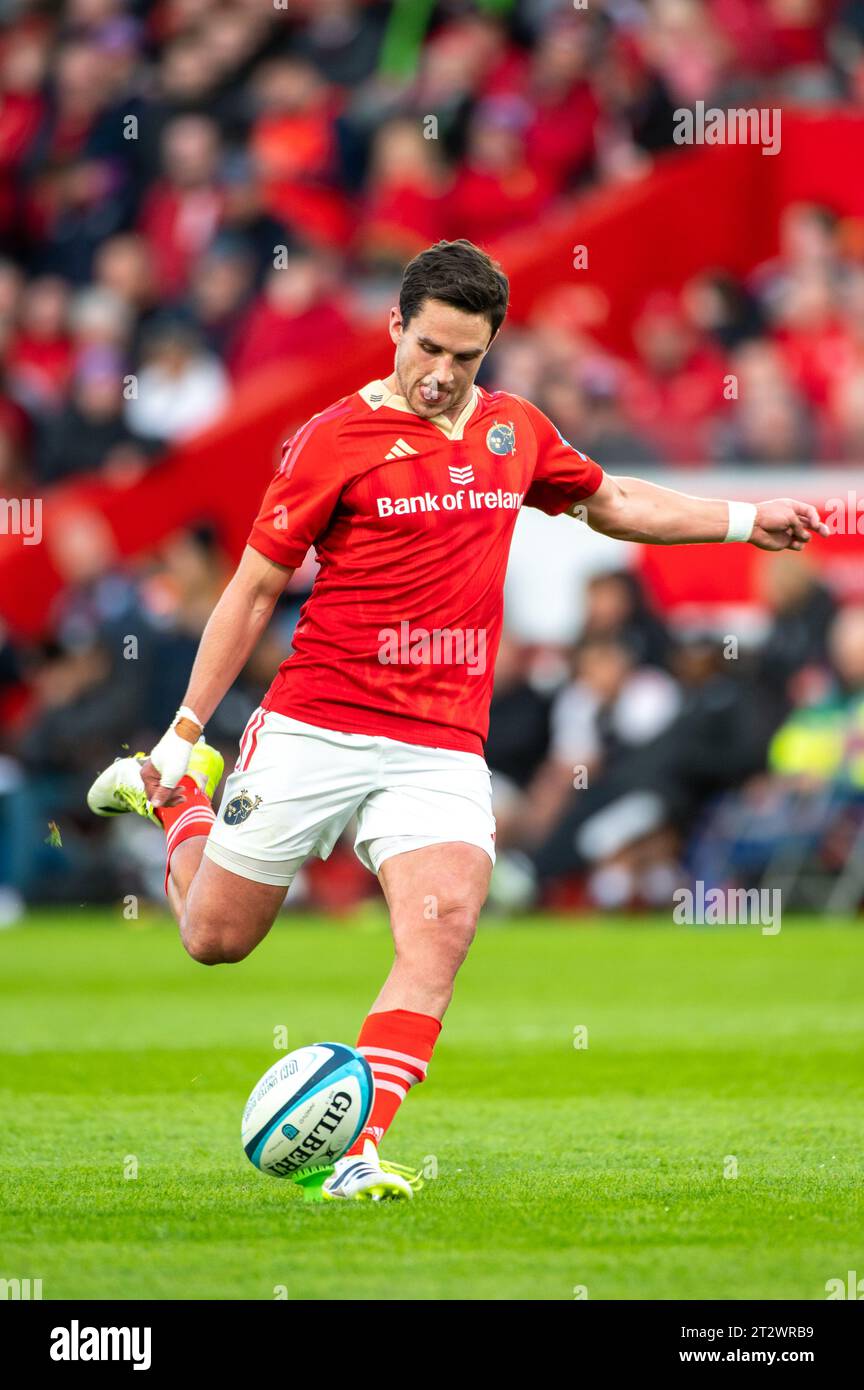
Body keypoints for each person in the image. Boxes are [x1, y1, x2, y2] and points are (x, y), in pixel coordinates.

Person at [86, 238, 829, 1201]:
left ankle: (355, 1153)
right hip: (317, 720)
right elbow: (255, 588)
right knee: (216, 939)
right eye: (428, 347)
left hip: (439, 743)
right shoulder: (330, 440)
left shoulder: (516, 432)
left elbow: (614, 502)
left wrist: (741, 521)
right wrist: (185, 733)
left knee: (442, 929)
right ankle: (181, 799)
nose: (441, 373)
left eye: (465, 357)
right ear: (395, 325)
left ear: (490, 348)